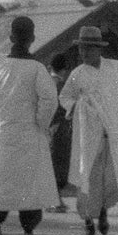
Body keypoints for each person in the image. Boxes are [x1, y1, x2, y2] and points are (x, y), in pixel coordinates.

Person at [58, 26, 118, 235]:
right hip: (90, 137)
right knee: (88, 178)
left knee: (112, 179)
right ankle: (88, 223)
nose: (84, 53)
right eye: (81, 49)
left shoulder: (117, 68)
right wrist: (78, 106)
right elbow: (65, 98)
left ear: (99, 49)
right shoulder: (77, 74)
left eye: (89, 49)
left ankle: (104, 212)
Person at [0, 15, 60, 235]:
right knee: (31, 182)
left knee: (3, 181)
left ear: (11, 37)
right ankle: (28, 232)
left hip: (4, 132)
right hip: (30, 131)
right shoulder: (37, 68)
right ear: (32, 38)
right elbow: (49, 99)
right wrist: (41, 123)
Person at [46, 52, 73, 213]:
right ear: (64, 70)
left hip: (48, 127)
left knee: (52, 163)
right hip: (60, 127)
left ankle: (54, 199)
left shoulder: (46, 83)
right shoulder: (61, 85)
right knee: (59, 163)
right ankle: (54, 200)